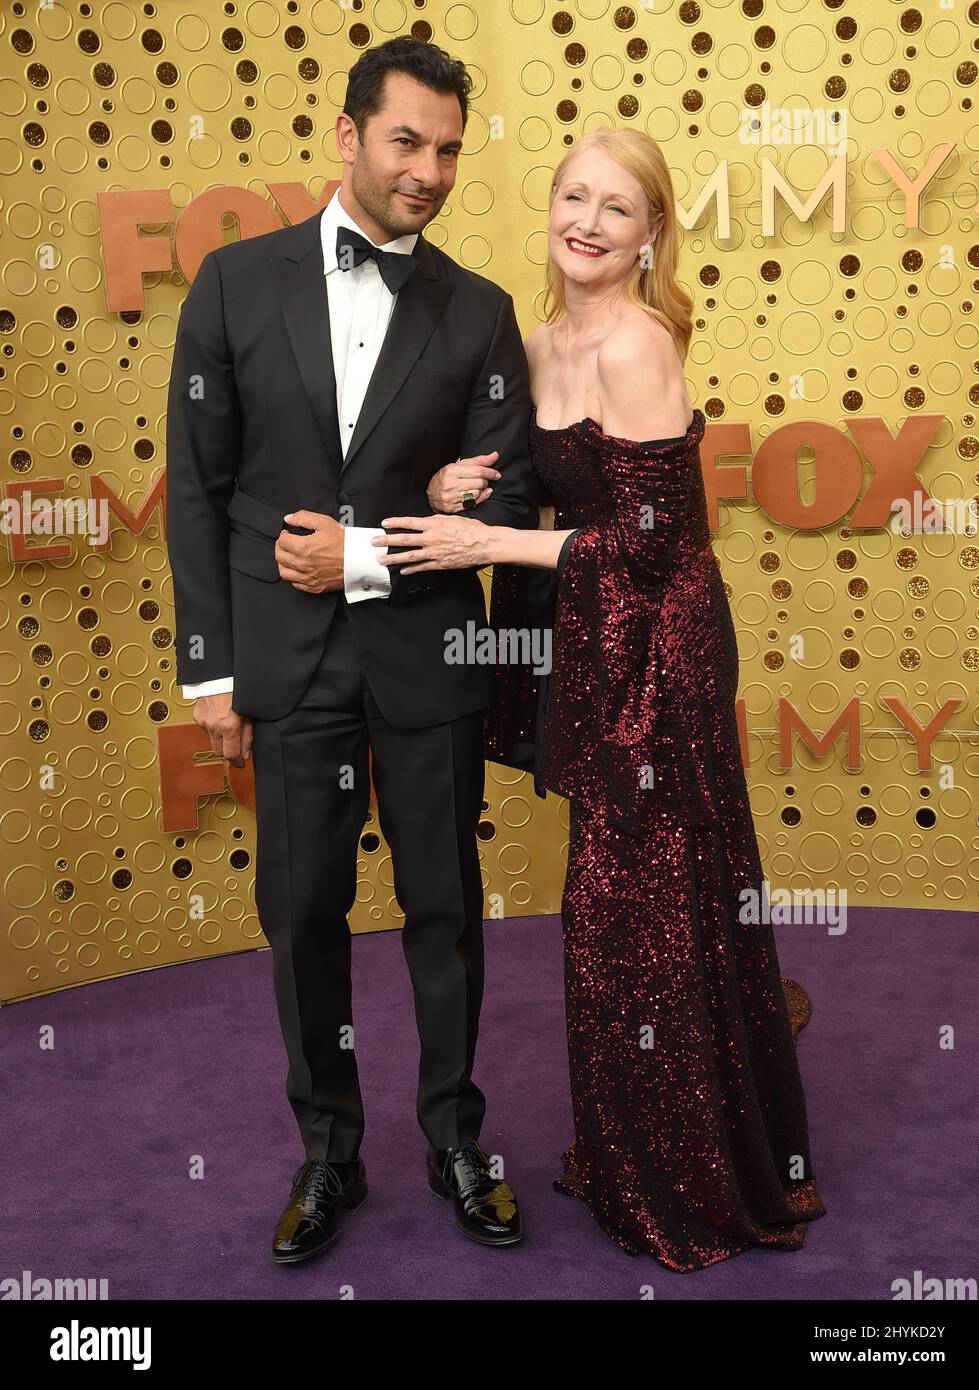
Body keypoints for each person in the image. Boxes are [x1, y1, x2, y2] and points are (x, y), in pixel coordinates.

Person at [373, 128, 828, 1271]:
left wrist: (484, 539)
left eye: (614, 208)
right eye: (571, 195)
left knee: (657, 912)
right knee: (610, 914)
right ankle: (635, 1148)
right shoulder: (534, 341)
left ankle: (696, 1176)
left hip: (660, 654)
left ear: (649, 235)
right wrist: (459, 484)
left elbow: (648, 539)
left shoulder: (636, 347)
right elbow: (533, 487)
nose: (585, 219)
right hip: (593, 641)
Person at [165, 37, 539, 1263]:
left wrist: (364, 553)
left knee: (443, 909)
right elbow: (204, 494)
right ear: (346, 134)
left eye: (446, 150)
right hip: (288, 667)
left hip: (429, 659)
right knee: (302, 913)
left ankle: (454, 1136)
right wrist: (213, 673)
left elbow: (507, 508)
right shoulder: (229, 283)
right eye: (406, 142)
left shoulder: (480, 311)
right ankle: (328, 1151)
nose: (428, 171)